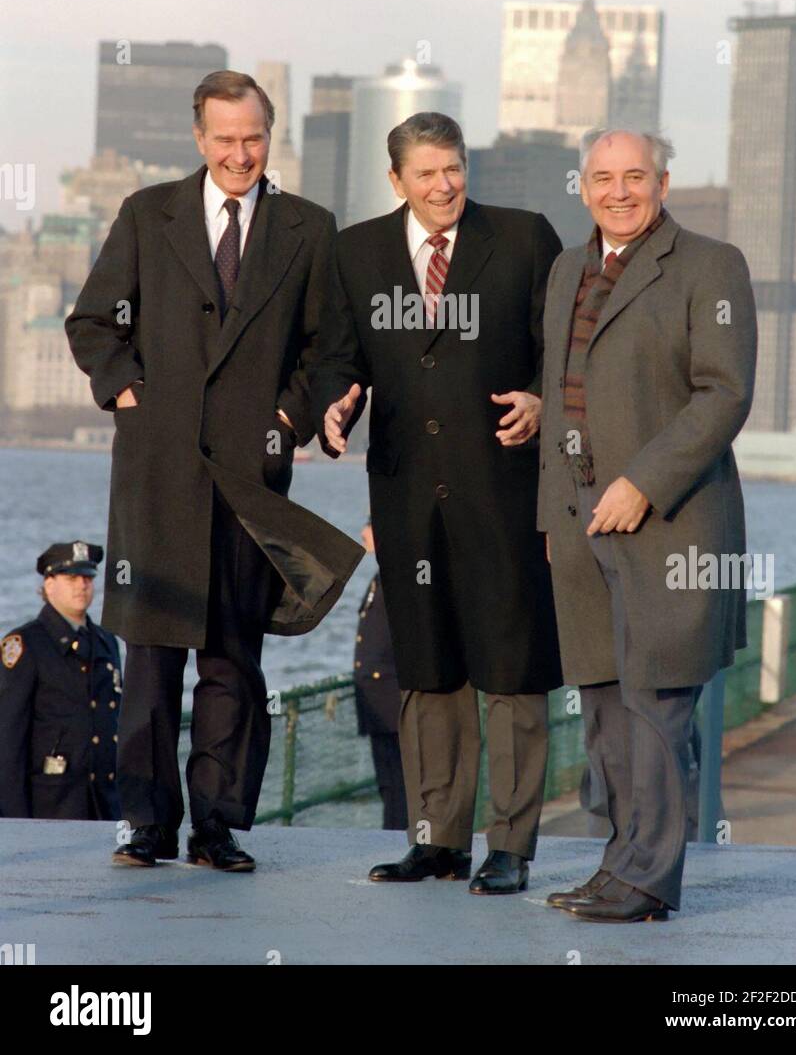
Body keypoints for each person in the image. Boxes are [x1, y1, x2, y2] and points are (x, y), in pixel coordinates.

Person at [65, 70, 363, 873]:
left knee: (234, 659)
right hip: (157, 476)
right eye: (225, 139)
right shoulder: (145, 213)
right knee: (153, 663)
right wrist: (126, 390)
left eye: (254, 138)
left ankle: (219, 826)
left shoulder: (310, 226)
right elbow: (92, 320)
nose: (240, 154)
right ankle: (147, 824)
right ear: (199, 138)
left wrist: (289, 419)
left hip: (250, 482)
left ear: (272, 135)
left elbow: (329, 349)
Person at [312, 111, 563, 895]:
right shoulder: (356, 252)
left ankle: (512, 846)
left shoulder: (525, 239)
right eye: (425, 173)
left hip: (506, 494)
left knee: (512, 672)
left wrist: (541, 400)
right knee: (427, 671)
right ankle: (437, 840)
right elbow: (336, 356)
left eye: (453, 167)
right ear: (396, 181)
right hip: (405, 495)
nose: (444, 185)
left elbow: (565, 350)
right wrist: (332, 406)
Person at [538, 128, 757, 922]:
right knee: (602, 707)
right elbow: (569, 387)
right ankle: (619, 861)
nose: (619, 191)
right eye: (603, 178)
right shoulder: (569, 267)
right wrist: (553, 513)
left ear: (663, 181)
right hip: (577, 524)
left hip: (670, 526)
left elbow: (722, 395)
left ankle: (650, 880)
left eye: (636, 176)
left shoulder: (710, 265)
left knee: (656, 707)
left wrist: (642, 481)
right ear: (583, 186)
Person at [0, 541, 122, 821]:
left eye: (88, 577)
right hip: (50, 806)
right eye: (71, 578)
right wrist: (13, 819)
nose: (81, 585)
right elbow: (8, 738)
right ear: (49, 585)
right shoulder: (26, 645)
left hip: (105, 805)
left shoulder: (106, 643)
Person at [353, 519, 407, 831]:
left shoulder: (396, 577)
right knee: (387, 783)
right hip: (375, 697)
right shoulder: (381, 577)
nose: (363, 532)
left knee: (398, 782)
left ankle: (399, 839)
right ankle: (393, 835)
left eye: (371, 525)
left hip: (389, 696)